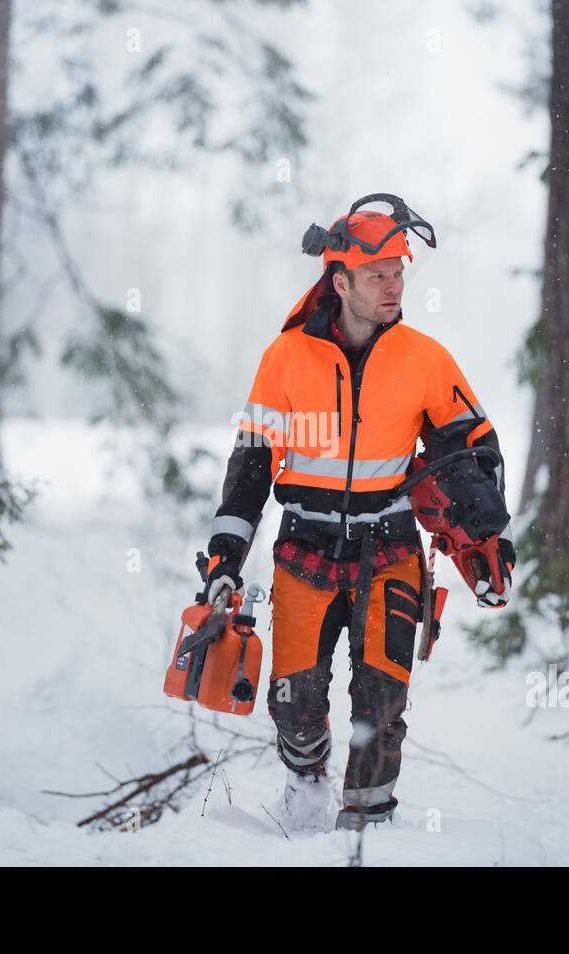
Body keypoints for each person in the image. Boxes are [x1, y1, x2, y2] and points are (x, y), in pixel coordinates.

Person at [201, 194, 516, 831]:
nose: (394, 286)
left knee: (382, 701)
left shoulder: (425, 358)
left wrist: (489, 531)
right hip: (302, 549)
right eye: (378, 276)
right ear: (340, 281)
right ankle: (307, 781)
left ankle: (369, 827)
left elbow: (477, 448)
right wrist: (225, 560)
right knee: (294, 703)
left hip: (391, 548)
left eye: (399, 273)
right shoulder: (285, 358)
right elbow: (249, 471)